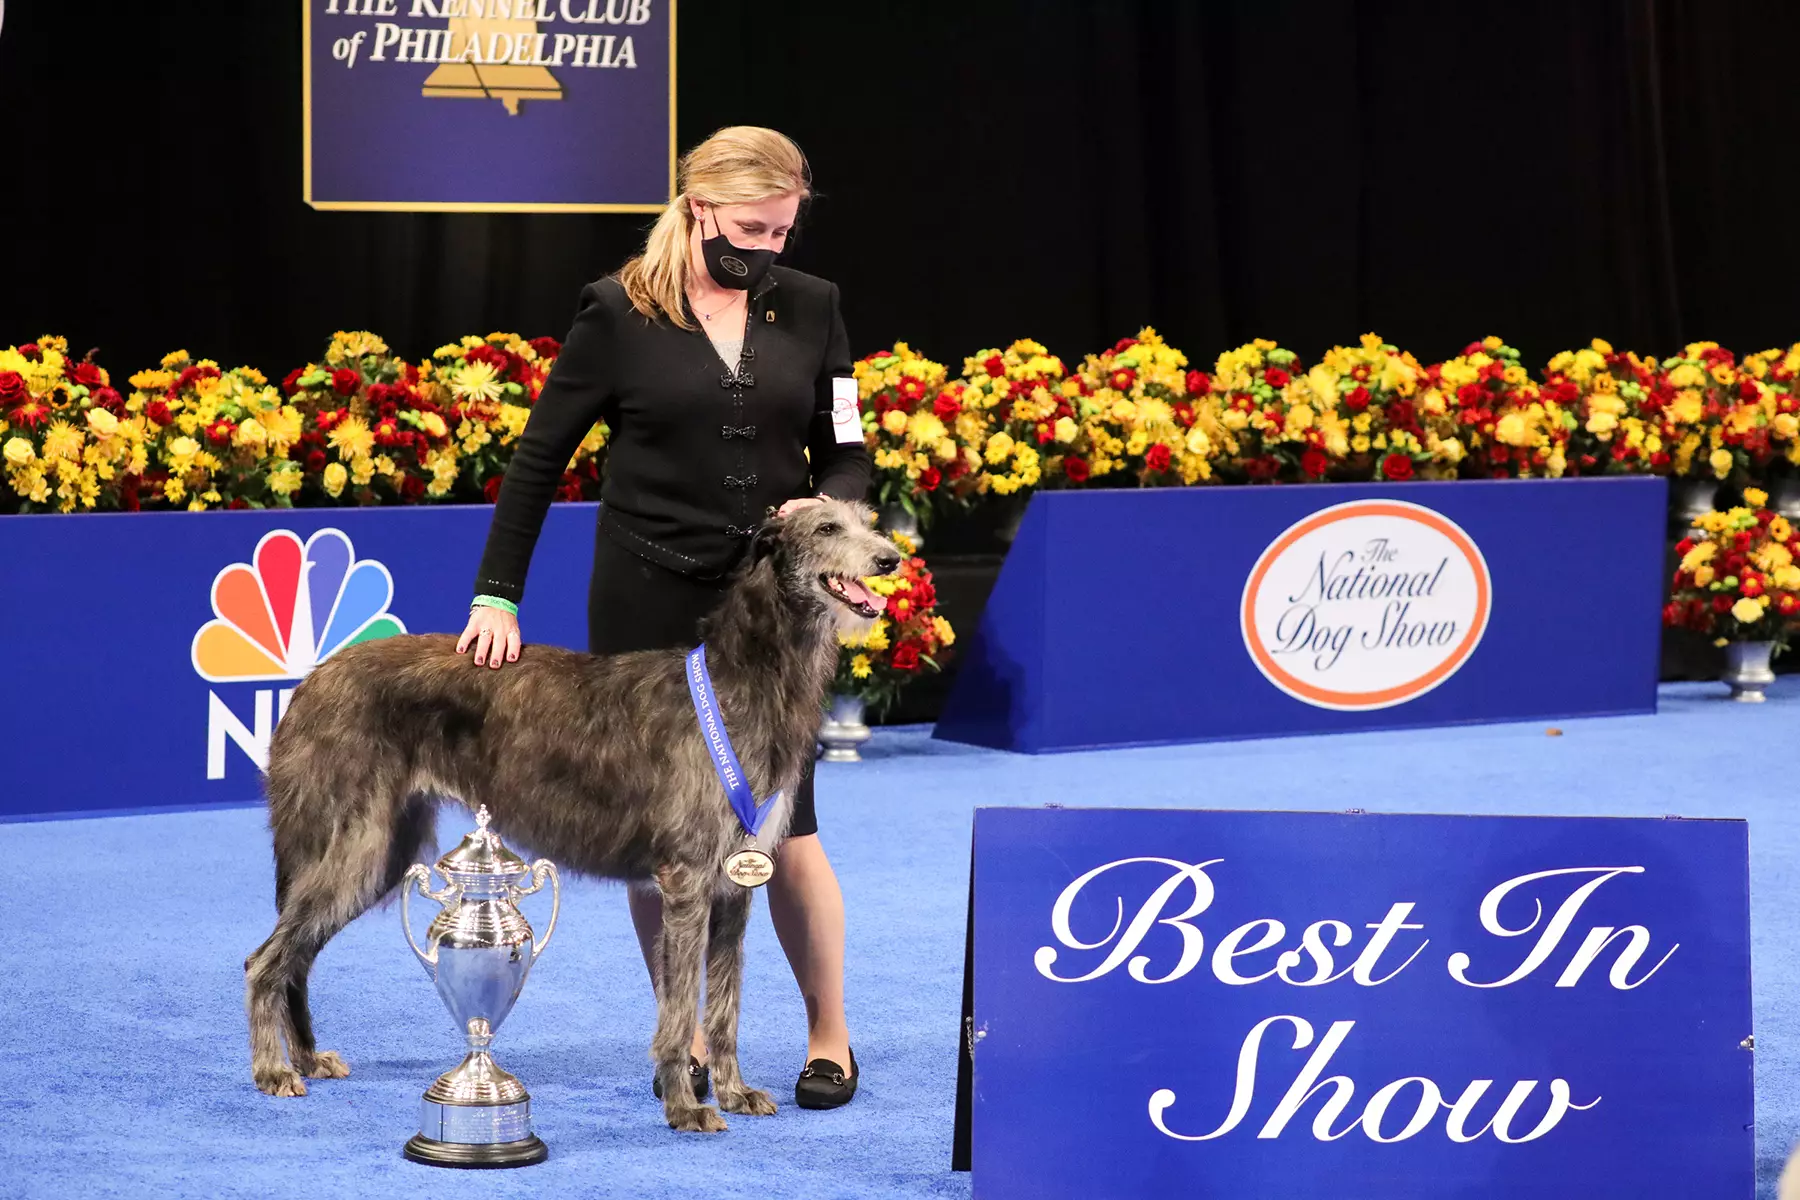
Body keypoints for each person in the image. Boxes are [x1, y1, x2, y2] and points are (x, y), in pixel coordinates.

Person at [456, 126, 869, 1110]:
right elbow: (537, 461)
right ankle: (680, 1038)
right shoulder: (617, 311)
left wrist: (823, 513)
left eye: (784, 232)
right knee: (667, 832)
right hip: (649, 599)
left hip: (771, 610)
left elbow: (847, 450)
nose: (768, 249)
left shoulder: (814, 308)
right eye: (751, 228)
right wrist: (496, 594)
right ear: (697, 206)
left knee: (788, 823)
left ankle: (829, 1038)